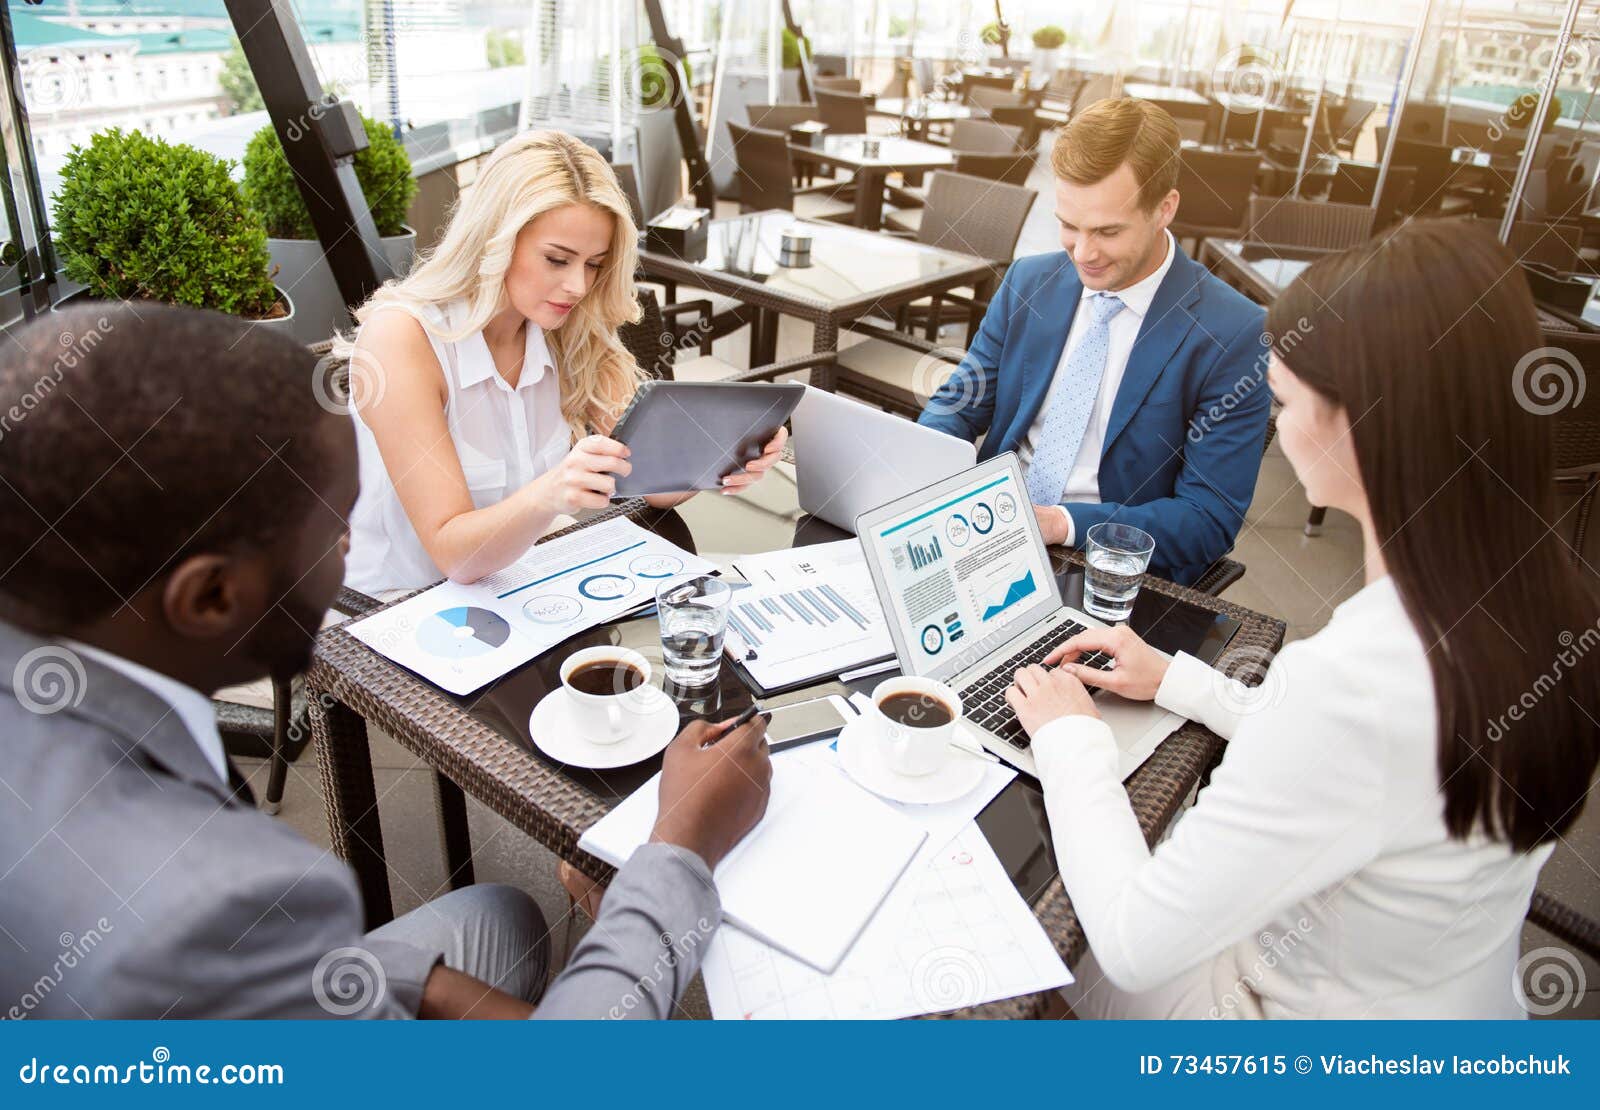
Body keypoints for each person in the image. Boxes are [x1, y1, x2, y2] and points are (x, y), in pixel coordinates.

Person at [0, 303, 773, 1019]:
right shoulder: (203, 904)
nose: (351, 550)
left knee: (502, 922)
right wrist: (679, 846)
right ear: (208, 598)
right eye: (336, 530)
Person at [1002, 221, 1600, 1018]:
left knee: (1011, 928)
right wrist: (1177, 676)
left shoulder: (1353, 682)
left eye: (1283, 402)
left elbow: (1131, 941)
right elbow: (1365, 760)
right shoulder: (1539, 603)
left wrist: (1070, 737)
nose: (1275, 429)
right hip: (1452, 1002)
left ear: (1365, 421)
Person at [338, 130, 784, 596]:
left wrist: (725, 455)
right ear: (494, 240)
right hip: (395, 611)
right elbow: (454, 554)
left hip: (520, 585)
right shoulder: (402, 339)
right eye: (557, 259)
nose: (577, 285)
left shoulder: (566, 329)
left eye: (594, 264)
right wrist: (549, 493)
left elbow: (655, 483)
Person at [918, 98, 1269, 586]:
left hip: (1110, 569)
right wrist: (920, 453)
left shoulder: (1232, 331)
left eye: (1107, 231)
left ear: (1165, 208)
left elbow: (1208, 518)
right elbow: (960, 403)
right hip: (986, 533)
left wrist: (1060, 524)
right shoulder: (1029, 281)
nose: (1083, 253)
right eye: (1068, 225)